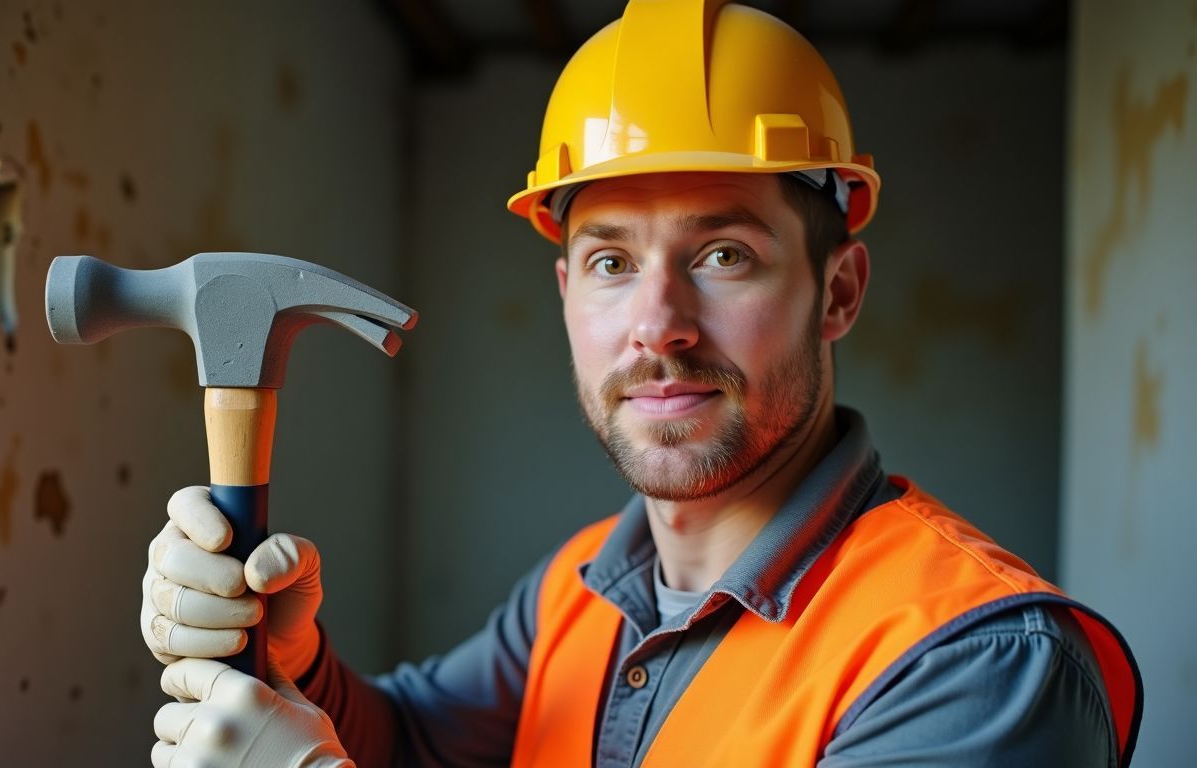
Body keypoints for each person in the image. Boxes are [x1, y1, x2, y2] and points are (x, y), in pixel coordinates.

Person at [141, 2, 1142, 766]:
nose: (659, 326)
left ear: (838, 291)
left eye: (723, 256)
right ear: (568, 291)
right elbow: (414, 743)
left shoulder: (976, 664)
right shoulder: (580, 591)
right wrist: (293, 663)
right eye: (614, 263)